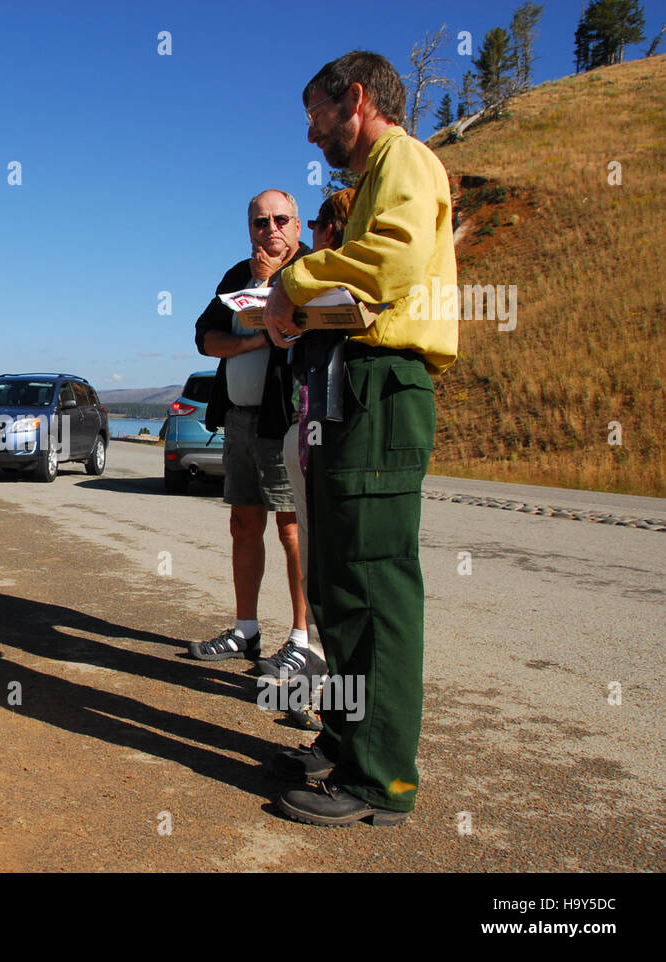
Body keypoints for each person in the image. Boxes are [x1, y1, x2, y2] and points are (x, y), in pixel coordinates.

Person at [262, 51, 458, 826]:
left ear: (357, 99)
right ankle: (345, 742)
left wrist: (291, 284)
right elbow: (365, 283)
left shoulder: (406, 159)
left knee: (375, 585)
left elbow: (393, 262)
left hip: (384, 388)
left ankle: (381, 781)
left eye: (316, 115)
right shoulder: (372, 178)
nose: (311, 135)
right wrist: (296, 310)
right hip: (351, 385)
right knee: (339, 579)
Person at [189, 190, 312, 678]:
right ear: (249, 228)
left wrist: (269, 287)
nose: (270, 230)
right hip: (239, 416)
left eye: (280, 220)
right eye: (260, 222)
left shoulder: (310, 270)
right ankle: (246, 629)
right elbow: (205, 339)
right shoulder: (236, 274)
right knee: (244, 524)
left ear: (297, 226)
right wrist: (256, 337)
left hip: (285, 418)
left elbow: (301, 329)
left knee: (291, 530)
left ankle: (302, 639)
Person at [277, 186, 356, 732]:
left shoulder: (330, 286)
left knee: (330, 568)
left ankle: (331, 700)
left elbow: (289, 341)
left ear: (328, 232)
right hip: (314, 436)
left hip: (318, 436)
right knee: (333, 567)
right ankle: (325, 693)